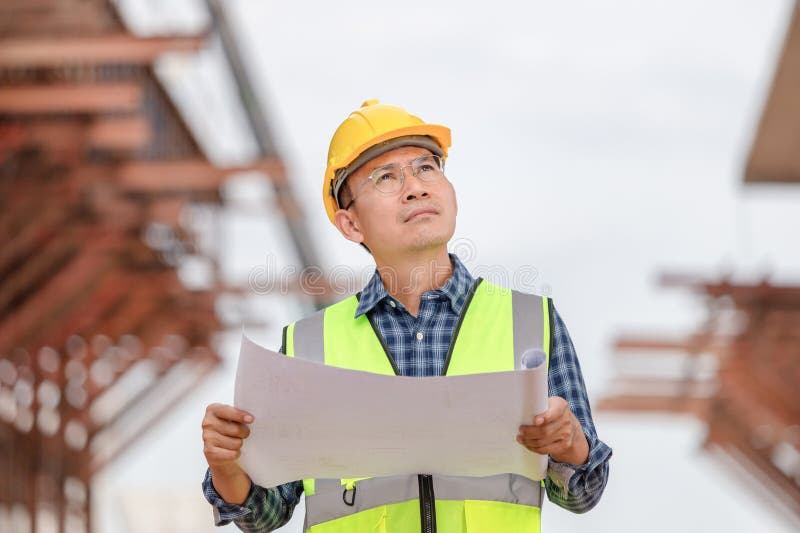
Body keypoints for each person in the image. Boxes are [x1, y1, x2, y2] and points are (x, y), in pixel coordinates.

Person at [201, 100, 612, 532]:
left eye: (426, 168)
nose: (415, 187)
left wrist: (570, 445)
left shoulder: (532, 322)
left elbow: (583, 493)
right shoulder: (307, 346)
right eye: (386, 177)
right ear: (351, 225)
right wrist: (227, 465)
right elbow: (265, 514)